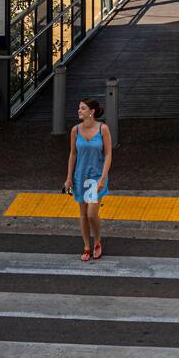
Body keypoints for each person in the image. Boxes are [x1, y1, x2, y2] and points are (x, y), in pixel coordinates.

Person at [63, 98, 112, 261]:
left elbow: (108, 154)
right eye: (79, 108)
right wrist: (69, 178)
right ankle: (86, 246)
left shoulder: (103, 129)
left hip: (96, 177)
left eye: (83, 108)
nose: (79, 111)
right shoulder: (75, 130)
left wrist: (103, 177)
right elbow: (72, 154)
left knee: (92, 214)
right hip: (80, 176)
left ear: (92, 112)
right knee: (83, 214)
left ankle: (97, 241)